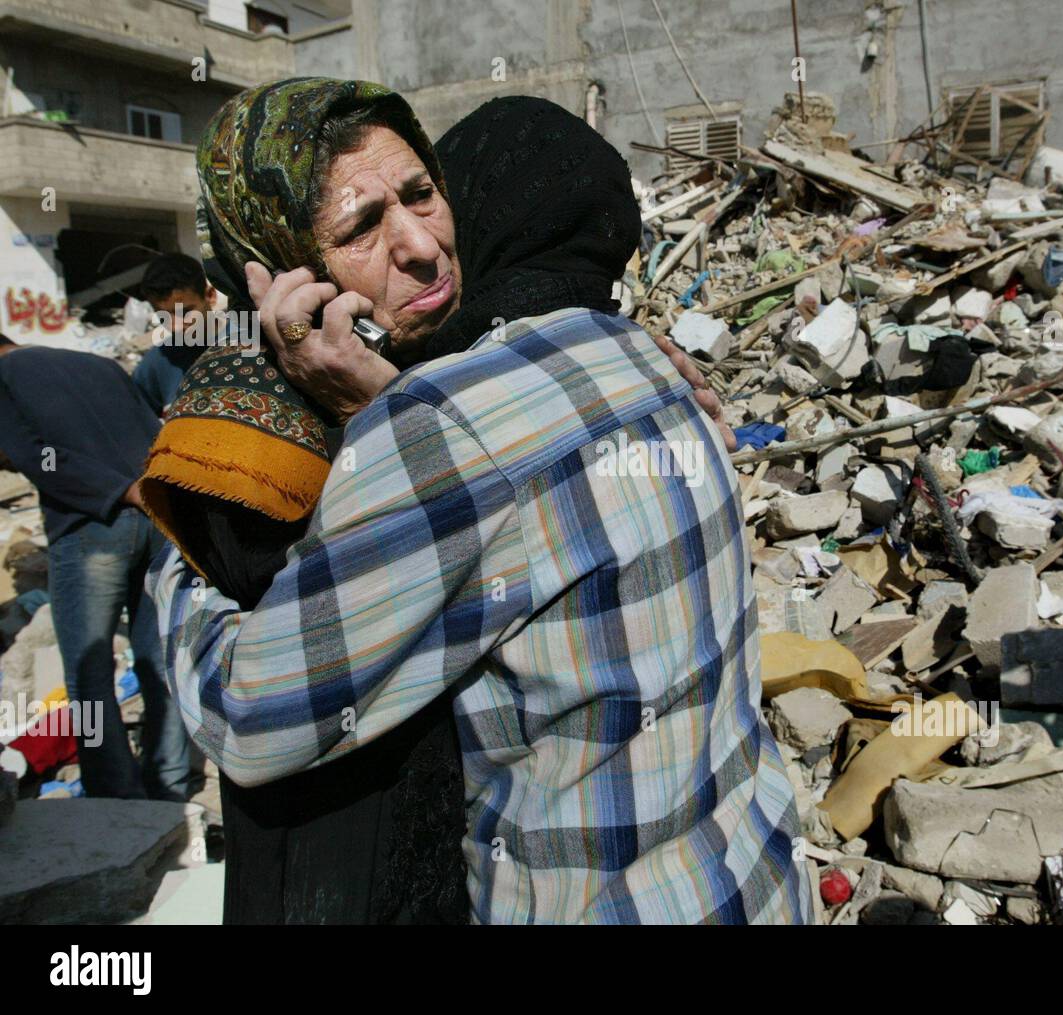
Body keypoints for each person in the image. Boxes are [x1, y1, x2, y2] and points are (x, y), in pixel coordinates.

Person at [145, 78, 811, 924]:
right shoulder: (633, 351)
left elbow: (251, 720)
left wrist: (178, 548)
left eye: (421, 194)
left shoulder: (437, 421)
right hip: (755, 879)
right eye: (361, 228)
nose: (421, 244)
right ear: (289, 269)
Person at [0, 333, 191, 800]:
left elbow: (38, 459)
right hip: (158, 517)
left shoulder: (2, 379)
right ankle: (171, 784)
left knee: (89, 677)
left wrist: (121, 491)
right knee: (158, 657)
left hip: (94, 526)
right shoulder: (96, 363)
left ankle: (116, 797)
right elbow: (154, 428)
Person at [133, 254, 218, 415]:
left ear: (210, 296)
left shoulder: (250, 343)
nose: (175, 327)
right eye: (163, 316)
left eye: (184, 312)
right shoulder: (156, 364)